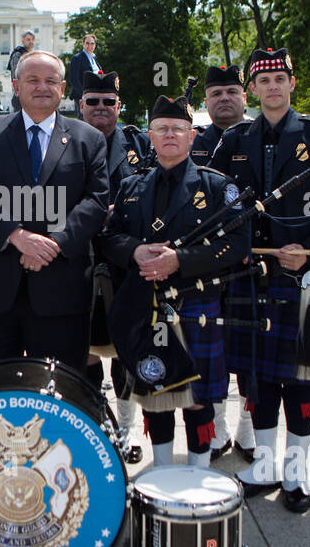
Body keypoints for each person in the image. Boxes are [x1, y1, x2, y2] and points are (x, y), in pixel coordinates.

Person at [209, 48, 310, 512]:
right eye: (264, 80)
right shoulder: (234, 139)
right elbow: (214, 200)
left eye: (280, 78)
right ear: (252, 89)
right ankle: (265, 463)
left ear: (292, 84)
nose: (272, 87)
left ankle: (296, 473)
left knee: (300, 381)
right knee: (257, 377)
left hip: (299, 278)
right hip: (249, 277)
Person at [104, 94, 245, 466]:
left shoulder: (217, 188)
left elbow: (237, 243)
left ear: (192, 136)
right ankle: (162, 469)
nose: (170, 135)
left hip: (195, 304)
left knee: (198, 398)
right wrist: (134, 250)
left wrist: (179, 260)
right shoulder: (132, 188)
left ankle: (199, 468)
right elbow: (109, 237)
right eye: (162, 129)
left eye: (178, 129)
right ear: (150, 136)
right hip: (147, 307)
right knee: (154, 393)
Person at [0, 50, 108, 373]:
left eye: (50, 80)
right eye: (33, 80)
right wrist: (17, 236)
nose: (42, 87)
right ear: (16, 86)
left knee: (61, 395)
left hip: (62, 289)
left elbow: (96, 201)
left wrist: (52, 243)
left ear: (63, 87)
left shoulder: (90, 139)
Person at [80, 69, 151, 462]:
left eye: (109, 102)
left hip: (126, 265)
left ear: (119, 107)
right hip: (82, 263)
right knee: (86, 352)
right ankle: (96, 426)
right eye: (93, 102)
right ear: (80, 105)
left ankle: (125, 430)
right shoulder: (66, 141)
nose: (101, 109)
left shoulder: (139, 143)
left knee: (126, 351)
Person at [191, 64, 253, 460]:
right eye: (216, 93)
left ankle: (248, 430)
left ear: (245, 96)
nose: (224, 99)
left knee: (246, 351)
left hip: (250, 261)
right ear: (207, 100)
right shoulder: (193, 142)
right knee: (211, 356)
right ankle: (219, 428)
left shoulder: (260, 136)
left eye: (232, 91)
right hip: (204, 264)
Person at [68, 34, 101, 110]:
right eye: (87, 43)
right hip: (82, 96)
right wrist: (84, 94)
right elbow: (73, 79)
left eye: (92, 43)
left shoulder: (94, 60)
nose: (90, 45)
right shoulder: (77, 58)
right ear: (83, 44)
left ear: (95, 45)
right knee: (83, 120)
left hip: (95, 95)